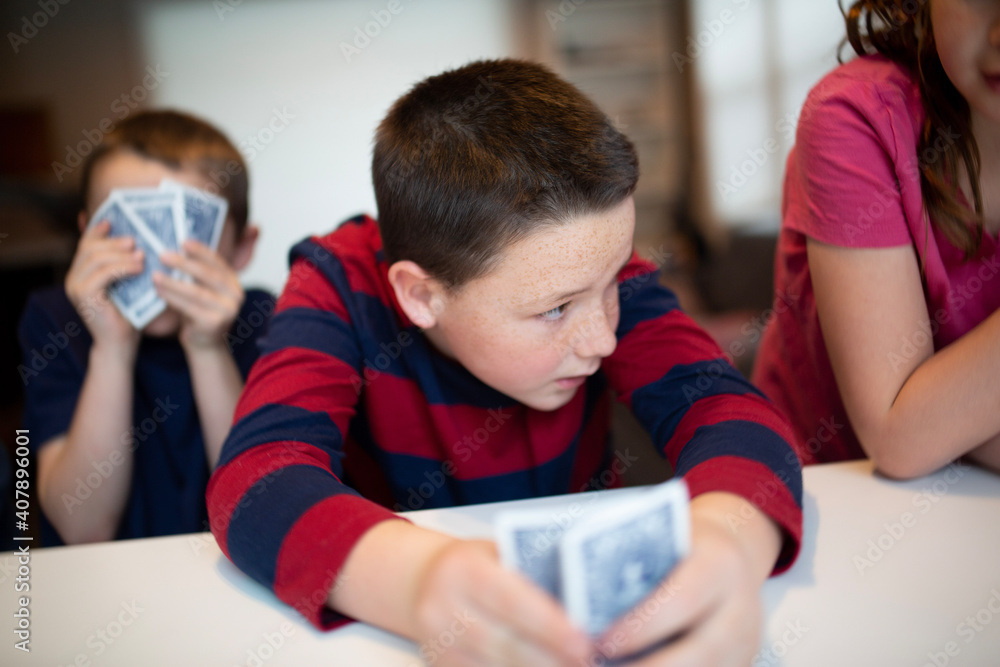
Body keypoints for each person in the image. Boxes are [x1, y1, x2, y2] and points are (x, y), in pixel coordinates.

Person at [208, 59, 803, 666]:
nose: (601, 339)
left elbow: (728, 410)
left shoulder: (586, 266)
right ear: (421, 295)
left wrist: (726, 542)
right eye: (555, 310)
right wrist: (419, 583)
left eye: (614, 282)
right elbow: (256, 479)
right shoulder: (337, 286)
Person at [753, 0, 1000, 478]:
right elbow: (898, 437)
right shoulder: (855, 117)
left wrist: (944, 423)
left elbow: (935, 431)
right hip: (825, 491)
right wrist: (933, 426)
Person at [18, 110, 274, 545]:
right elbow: (82, 528)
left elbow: (263, 513)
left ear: (241, 248)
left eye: (188, 233)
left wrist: (208, 348)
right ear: (86, 236)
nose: (155, 259)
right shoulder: (53, 319)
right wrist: (111, 350)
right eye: (124, 228)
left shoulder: (262, 320)